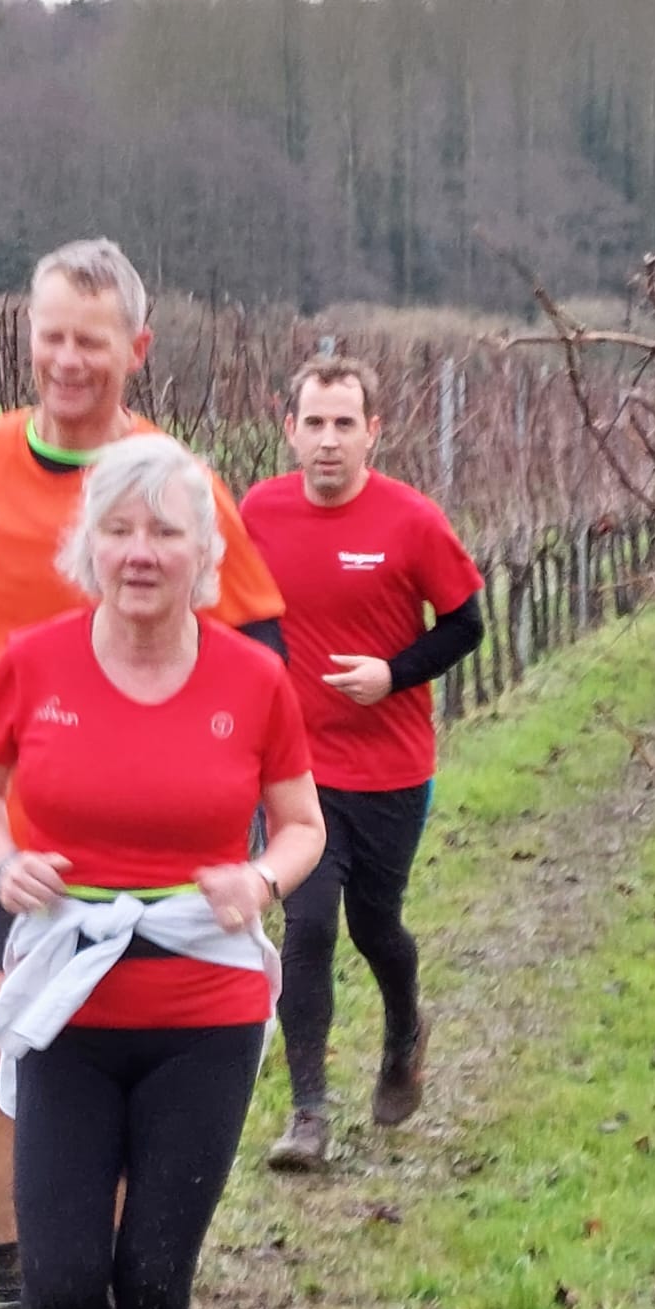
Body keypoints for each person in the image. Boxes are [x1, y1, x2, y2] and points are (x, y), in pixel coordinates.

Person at [0, 239, 285, 1309]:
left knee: (101, 1066)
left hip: (146, 842)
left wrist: (250, 833)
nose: (65, 359)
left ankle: (95, 1307)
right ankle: (18, 1306)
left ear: (132, 352)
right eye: (49, 336)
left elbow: (256, 644)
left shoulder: (174, 482)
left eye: (89, 341)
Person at [0, 434, 324, 1309]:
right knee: (63, 1283)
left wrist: (256, 876)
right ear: (88, 545)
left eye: (167, 530)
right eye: (120, 528)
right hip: (68, 1001)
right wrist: (0, 853)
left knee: (156, 1266)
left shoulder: (252, 680)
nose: (142, 550)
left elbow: (302, 825)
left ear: (206, 553)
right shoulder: (37, 664)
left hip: (201, 1011)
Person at [242, 356, 484, 1172]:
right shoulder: (260, 512)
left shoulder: (412, 522)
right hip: (295, 772)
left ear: (374, 432)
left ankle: (403, 1032)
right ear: (290, 430)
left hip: (390, 767)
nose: (328, 441)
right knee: (307, 926)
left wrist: (393, 674)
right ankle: (308, 1114)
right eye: (314, 423)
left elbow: (465, 625)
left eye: (345, 424)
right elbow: (242, 615)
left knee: (375, 926)